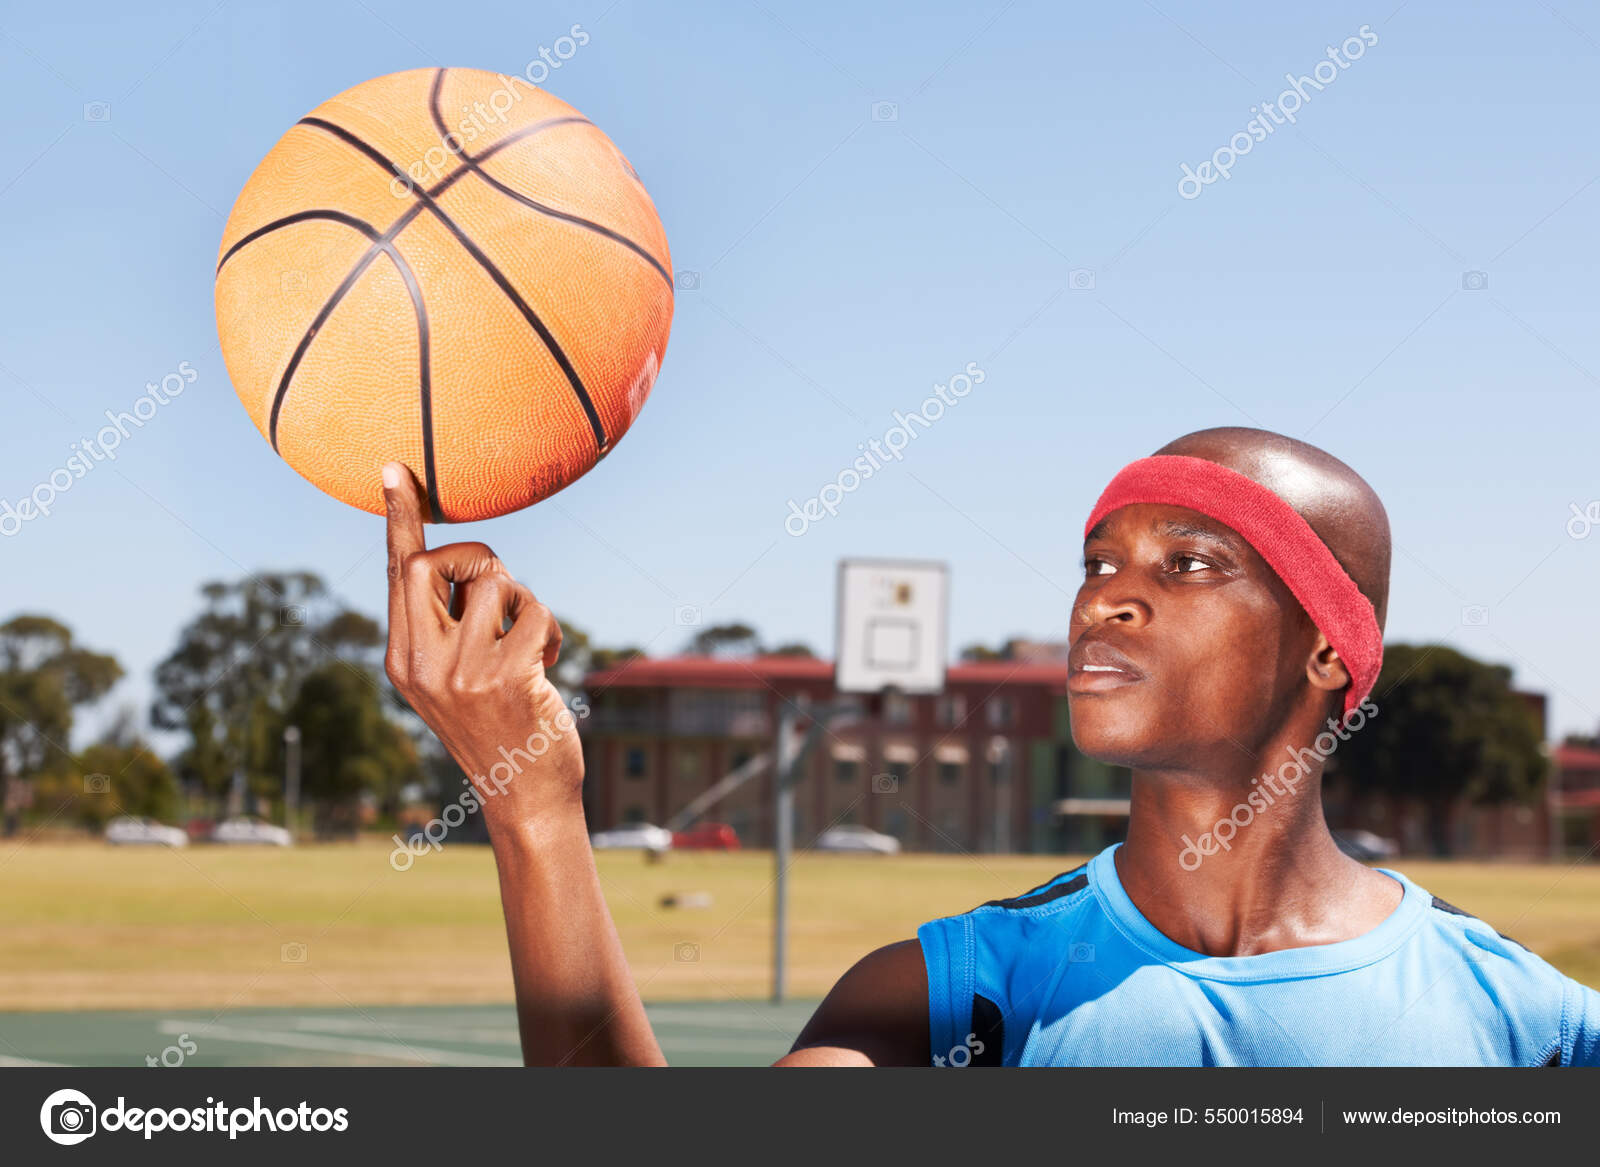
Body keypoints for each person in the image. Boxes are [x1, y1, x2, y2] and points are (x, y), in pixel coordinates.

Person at [378, 426, 1600, 1066]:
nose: (1106, 600)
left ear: (1330, 651)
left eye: (1188, 564)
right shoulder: (959, 999)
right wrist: (532, 803)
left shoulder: (1523, 1021)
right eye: (1098, 563)